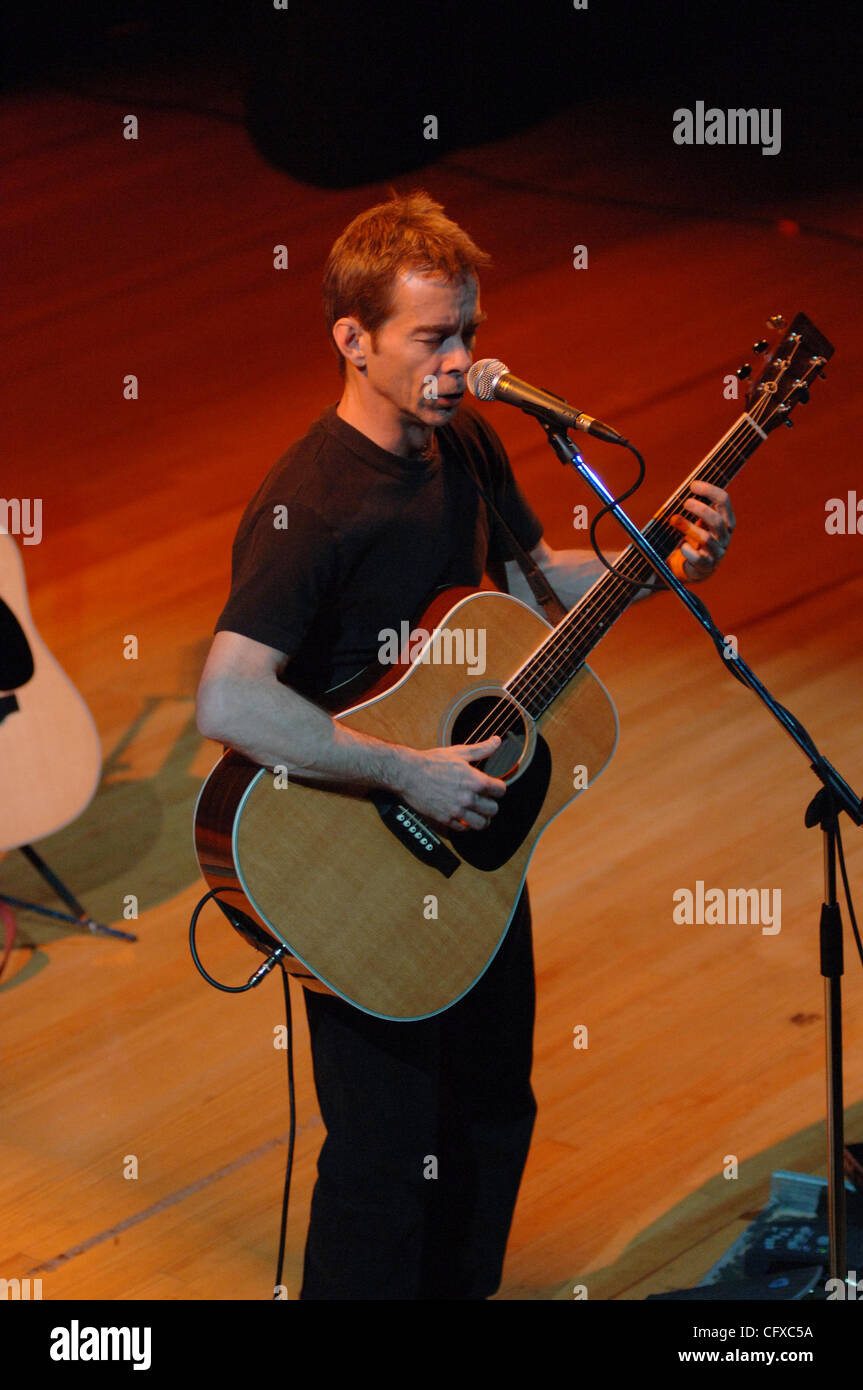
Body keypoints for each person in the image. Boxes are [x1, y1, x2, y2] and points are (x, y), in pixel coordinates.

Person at [195, 191, 735, 1299]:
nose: (459, 362)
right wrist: (404, 769)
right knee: (384, 1158)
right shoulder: (311, 504)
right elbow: (230, 700)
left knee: (491, 1113)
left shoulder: (469, 445)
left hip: (469, 846)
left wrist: (657, 560)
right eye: (432, 340)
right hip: (357, 857)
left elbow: (538, 593)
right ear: (353, 339)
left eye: (469, 336)